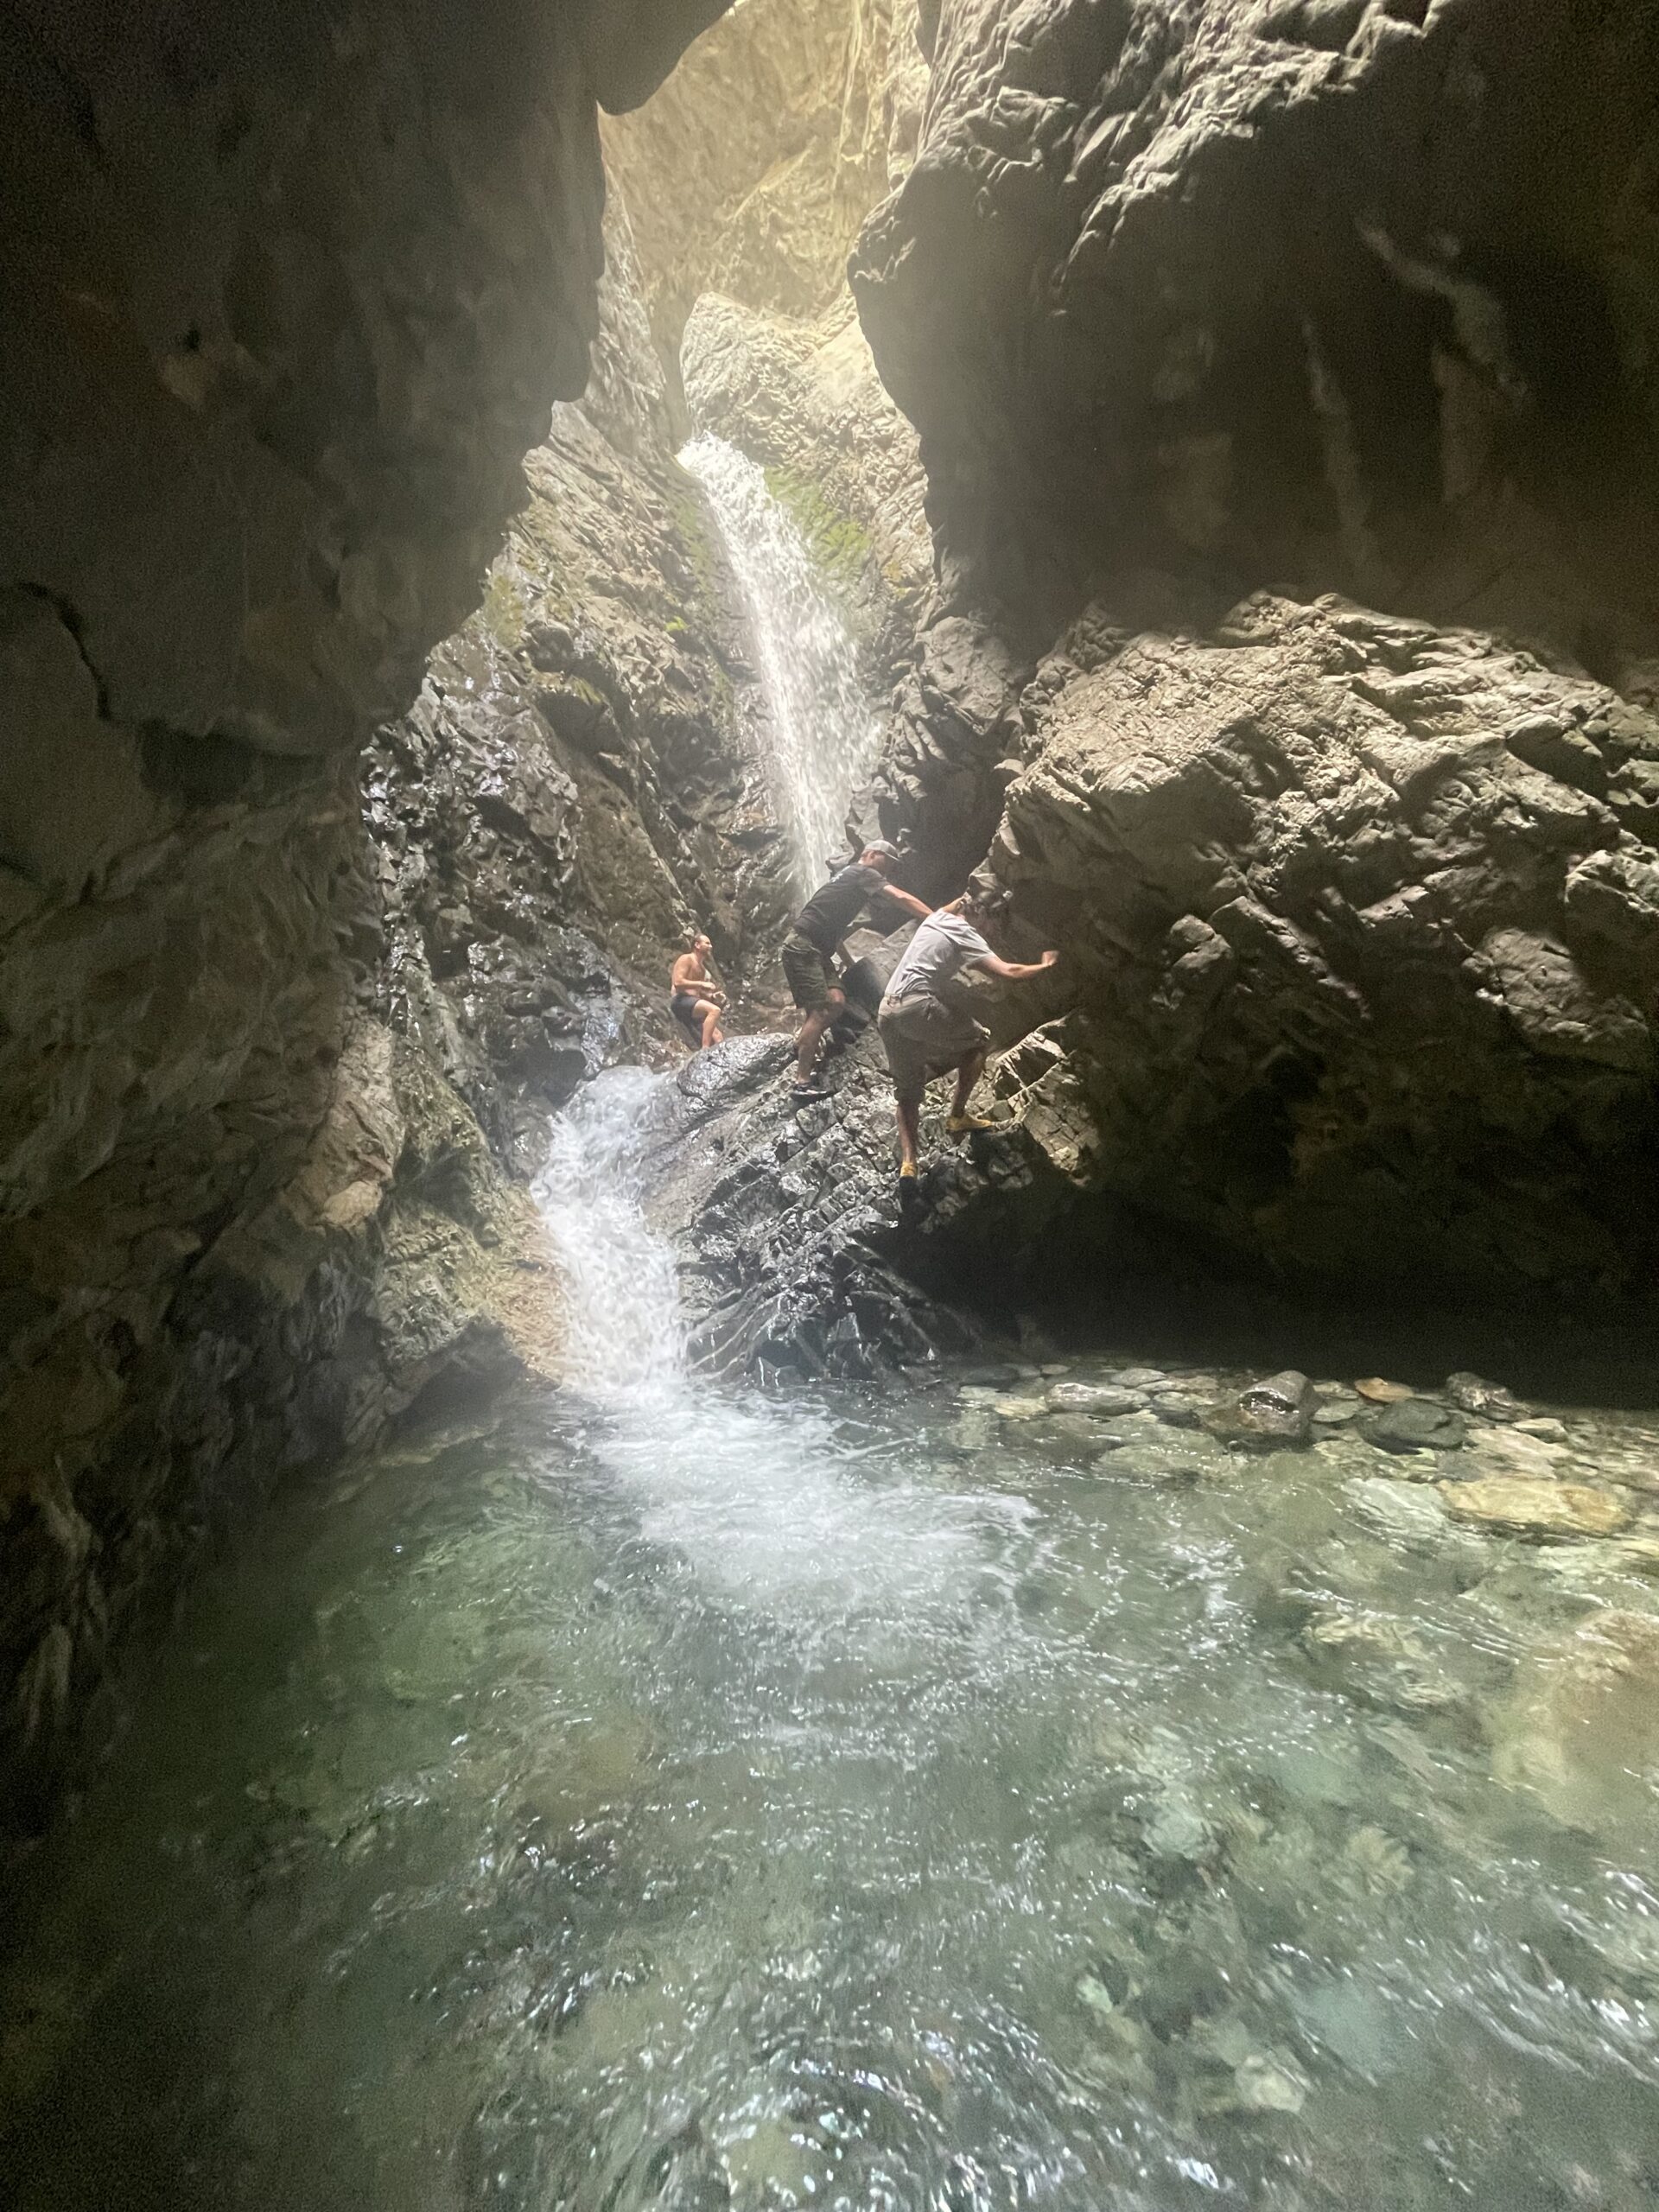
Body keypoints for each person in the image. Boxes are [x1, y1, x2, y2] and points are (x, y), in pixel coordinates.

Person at [876, 893, 1058, 1184]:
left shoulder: (936, 919)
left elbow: (954, 905)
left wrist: (964, 899)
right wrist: (1045, 966)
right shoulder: (966, 933)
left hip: (887, 1012)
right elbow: (1007, 972)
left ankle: (909, 1166)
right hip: (916, 1005)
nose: (993, 929)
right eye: (994, 921)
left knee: (907, 1092)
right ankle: (957, 1115)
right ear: (981, 913)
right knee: (979, 1041)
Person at [784, 841, 932, 1102]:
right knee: (822, 1010)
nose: (889, 870)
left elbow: (833, 928)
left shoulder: (846, 880)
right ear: (871, 855)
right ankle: (802, 1082)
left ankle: (802, 1044)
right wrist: (935, 918)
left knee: (837, 1001)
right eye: (888, 861)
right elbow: (899, 897)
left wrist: (850, 963)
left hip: (816, 949)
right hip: (803, 947)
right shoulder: (863, 872)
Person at [669, 933, 726, 1051]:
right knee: (714, 1011)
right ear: (697, 945)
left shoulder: (702, 969)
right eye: (707, 943)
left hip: (692, 1004)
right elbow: (678, 983)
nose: (710, 946)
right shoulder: (686, 959)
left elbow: (699, 993)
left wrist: (714, 997)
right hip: (680, 1000)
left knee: (718, 1037)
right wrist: (702, 984)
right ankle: (705, 1048)